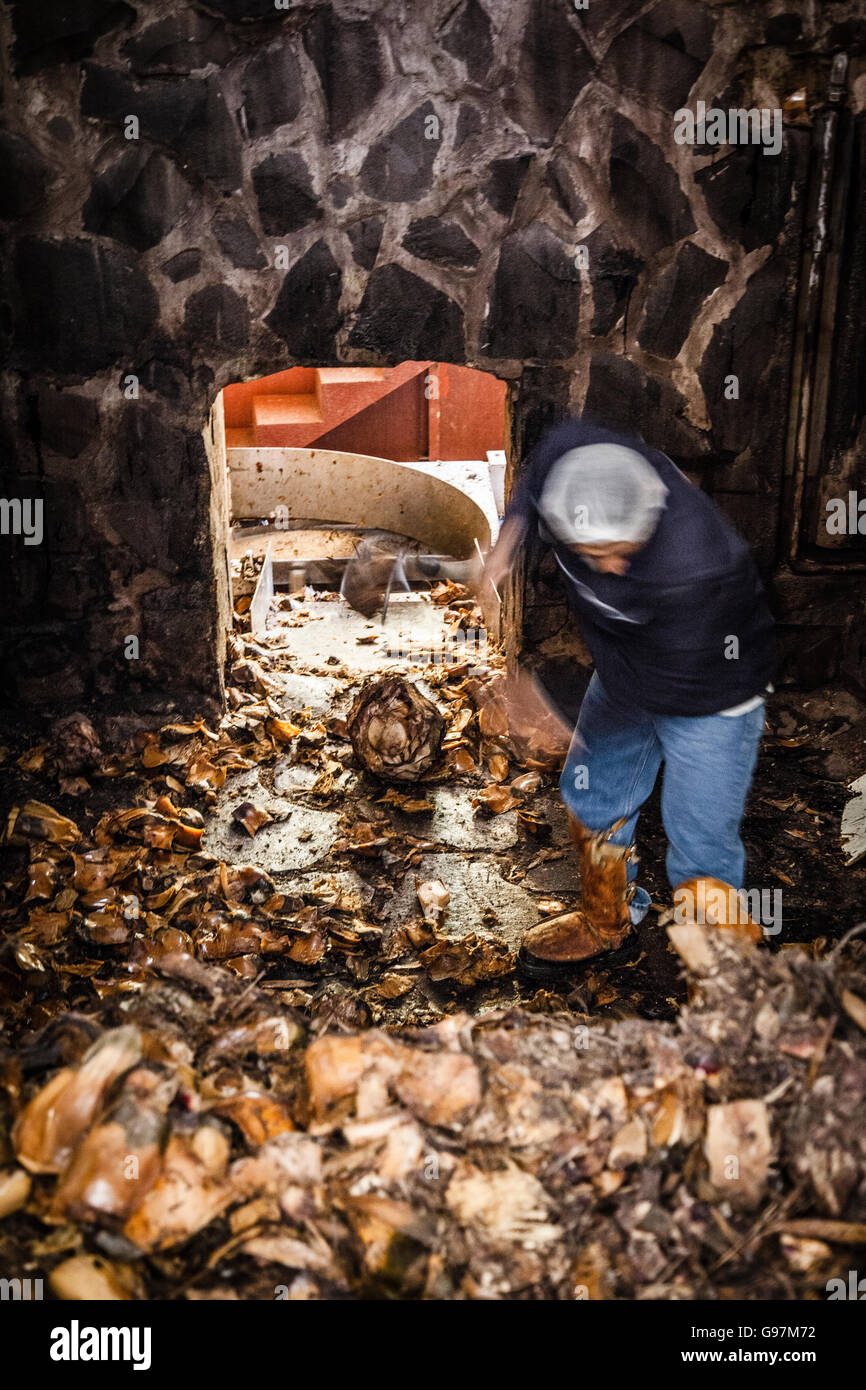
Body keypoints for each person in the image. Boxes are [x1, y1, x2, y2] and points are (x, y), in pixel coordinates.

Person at [483, 418, 776, 982]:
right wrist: (507, 542)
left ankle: (724, 1000)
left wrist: (551, 717)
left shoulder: (697, 568)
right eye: (596, 554)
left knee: (701, 850)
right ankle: (608, 921)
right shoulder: (574, 457)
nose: (613, 567)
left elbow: (658, 692)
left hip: (714, 693)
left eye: (623, 552)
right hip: (628, 668)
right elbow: (539, 470)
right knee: (592, 799)